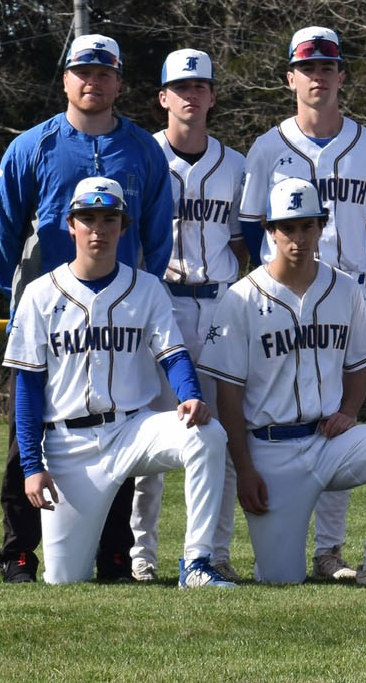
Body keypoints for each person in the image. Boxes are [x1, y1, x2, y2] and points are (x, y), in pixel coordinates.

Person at [0, 33, 174, 583]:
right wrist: (20, 296)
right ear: (66, 79)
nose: (92, 81)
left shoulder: (142, 148)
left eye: (103, 72)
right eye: (82, 71)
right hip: (48, 311)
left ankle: (114, 553)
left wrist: (139, 296)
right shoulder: (33, 145)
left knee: (119, 426)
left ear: (118, 82)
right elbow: (0, 232)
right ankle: (19, 552)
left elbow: (157, 233)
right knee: (26, 431)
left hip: (117, 311)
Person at [2, 177, 233, 587]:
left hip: (131, 431)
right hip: (68, 445)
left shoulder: (146, 287)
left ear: (124, 227)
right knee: (64, 580)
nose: (99, 229)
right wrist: (32, 466)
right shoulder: (39, 294)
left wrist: (191, 396)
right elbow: (28, 387)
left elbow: (173, 355)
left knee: (207, 434)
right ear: (71, 225)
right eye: (88, 218)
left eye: (109, 219)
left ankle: (197, 562)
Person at [202, 177, 366, 587]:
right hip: (270, 449)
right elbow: (228, 394)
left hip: (327, 443)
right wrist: (244, 469)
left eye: (307, 225)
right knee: (280, 578)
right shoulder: (241, 297)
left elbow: (358, 365)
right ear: (270, 231)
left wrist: (350, 411)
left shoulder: (345, 289)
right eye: (287, 227)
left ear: (322, 226)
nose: (298, 237)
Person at [239, 25, 366, 582]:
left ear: (341, 75)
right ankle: (220, 548)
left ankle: (330, 550)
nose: (318, 77)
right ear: (290, 78)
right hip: (280, 296)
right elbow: (251, 227)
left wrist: (342, 267)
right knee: (274, 412)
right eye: (307, 68)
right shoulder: (267, 147)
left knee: (336, 417)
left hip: (343, 289)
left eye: (327, 67)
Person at [129, 49, 249, 582]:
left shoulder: (236, 164)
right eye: (181, 87)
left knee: (220, 432)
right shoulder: (143, 157)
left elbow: (243, 243)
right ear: (163, 97)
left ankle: (215, 552)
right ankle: (142, 553)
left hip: (219, 301)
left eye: (200, 86)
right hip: (161, 300)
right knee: (154, 430)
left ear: (212, 96)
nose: (191, 95)